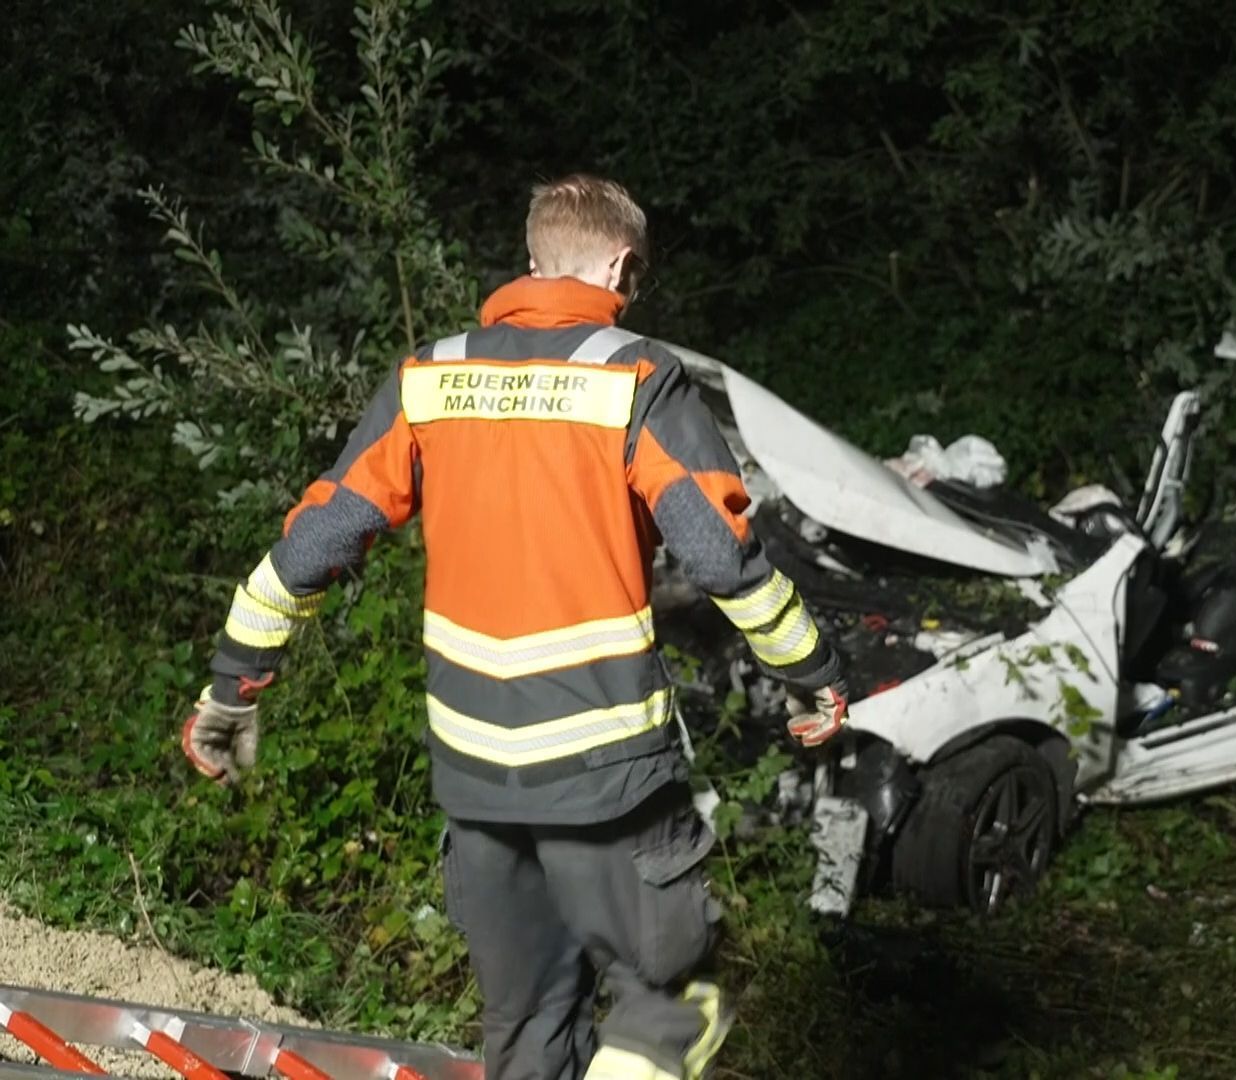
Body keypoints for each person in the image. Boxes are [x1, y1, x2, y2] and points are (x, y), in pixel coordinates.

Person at [179, 174, 851, 1080]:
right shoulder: (636, 375)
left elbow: (316, 540)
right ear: (619, 264)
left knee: (529, 1031)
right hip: (606, 774)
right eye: (635, 277)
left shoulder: (432, 374)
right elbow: (722, 557)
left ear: (533, 259)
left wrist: (231, 686)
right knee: (671, 1008)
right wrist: (815, 672)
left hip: (476, 780)